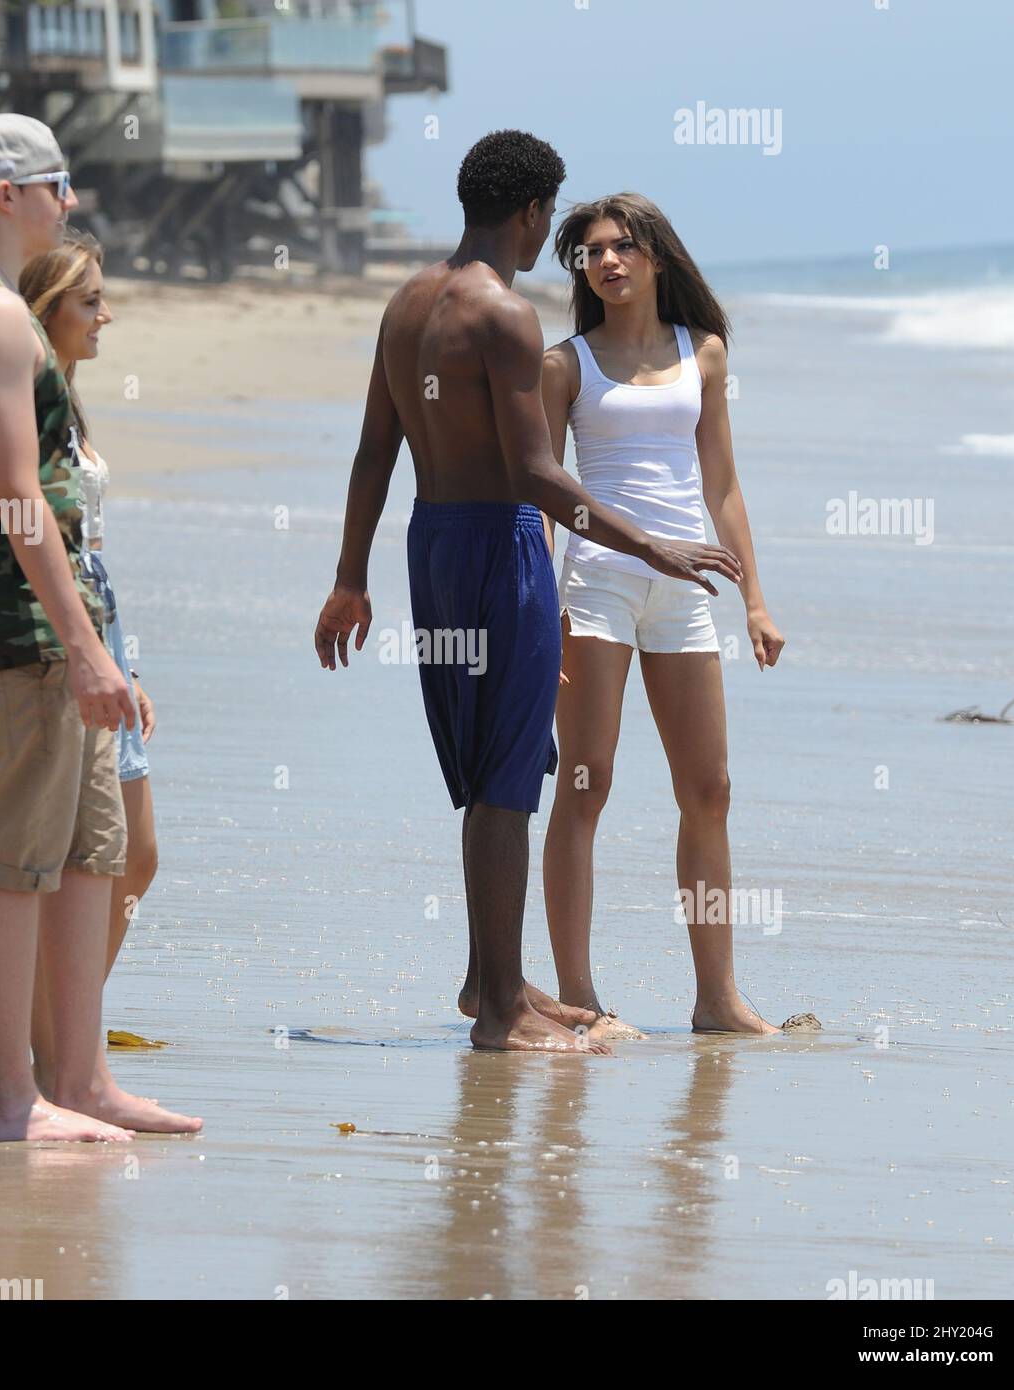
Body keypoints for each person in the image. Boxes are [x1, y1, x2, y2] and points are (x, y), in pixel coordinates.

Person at [313, 132, 742, 1053]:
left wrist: (350, 578)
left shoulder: (407, 302)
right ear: (535, 213)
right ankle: (504, 1013)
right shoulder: (503, 317)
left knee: (484, 770)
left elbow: (371, 453)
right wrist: (652, 546)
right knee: (508, 773)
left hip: (432, 544)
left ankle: (489, 981)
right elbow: (539, 477)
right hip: (500, 542)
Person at [0, 113, 199, 1139]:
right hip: (16, 632)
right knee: (17, 857)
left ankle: (78, 1081)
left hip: (54, 626)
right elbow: (18, 496)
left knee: (90, 854)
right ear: (7, 195)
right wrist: (82, 647)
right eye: (56, 183)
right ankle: (7, 1099)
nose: (70, 200)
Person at [540, 193, 786, 1040]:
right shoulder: (565, 364)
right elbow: (543, 496)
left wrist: (754, 597)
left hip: (690, 584)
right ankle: (580, 998)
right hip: (599, 581)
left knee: (710, 791)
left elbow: (721, 481)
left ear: (655, 257)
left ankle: (717, 998)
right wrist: (540, 603)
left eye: (622, 248)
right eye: (591, 252)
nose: (607, 263)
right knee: (587, 782)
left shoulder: (703, 353)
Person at [19, 229, 161, 1085]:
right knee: (88, 856)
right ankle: (56, 1049)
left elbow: (93, 549)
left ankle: (63, 1039)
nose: (106, 314)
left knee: (134, 856)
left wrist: (128, 664)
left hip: (102, 625)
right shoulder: (32, 403)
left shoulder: (68, 401)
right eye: (91, 301)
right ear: (50, 312)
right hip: (66, 633)